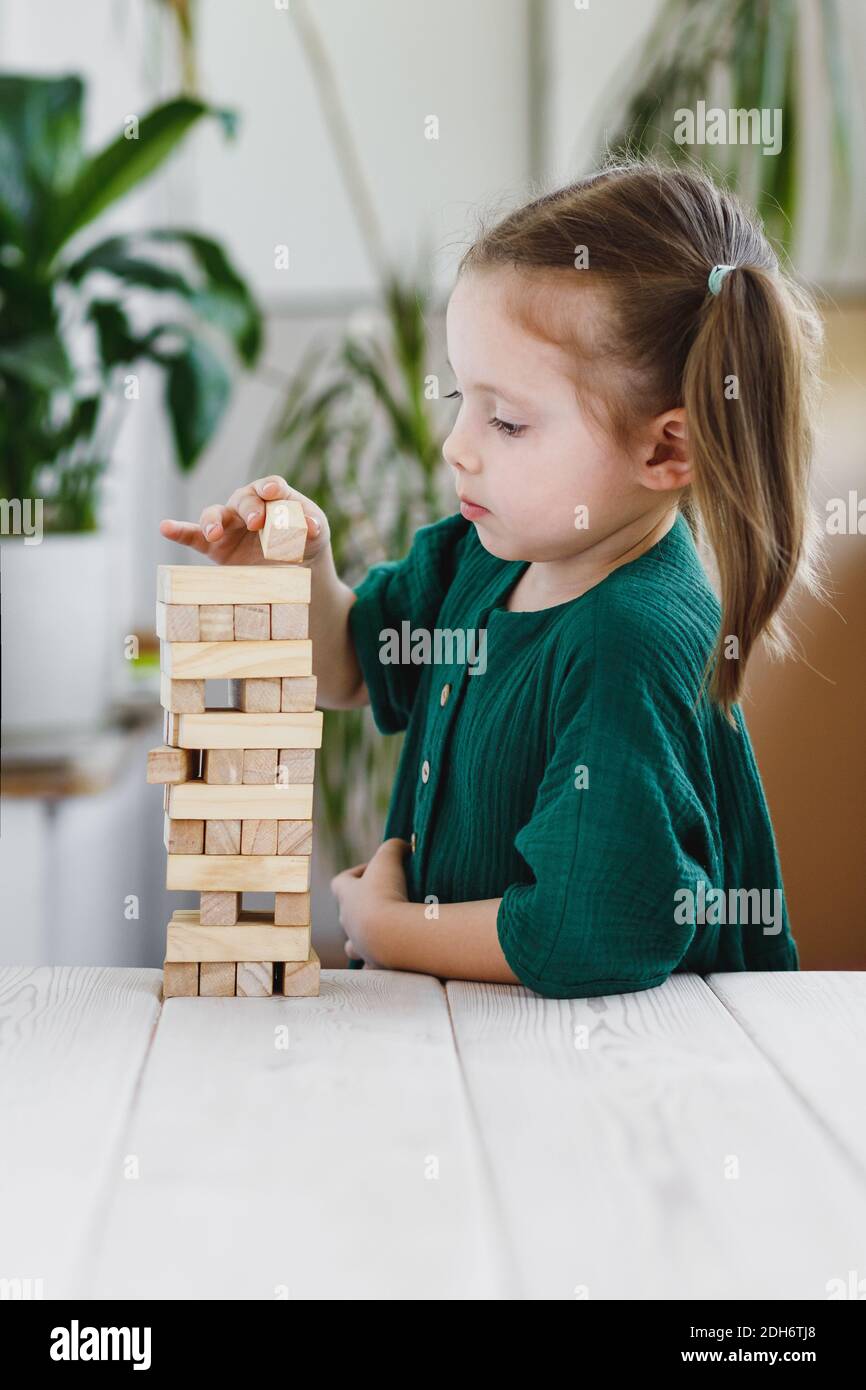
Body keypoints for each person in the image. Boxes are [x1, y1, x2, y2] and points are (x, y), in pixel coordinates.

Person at [161, 160, 822, 997]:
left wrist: (387, 928)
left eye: (506, 420)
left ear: (667, 450)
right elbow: (356, 666)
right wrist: (303, 575)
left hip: (621, 1077)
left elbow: (589, 934)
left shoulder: (628, 641)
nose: (457, 445)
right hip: (479, 1045)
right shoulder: (486, 553)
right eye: (462, 399)